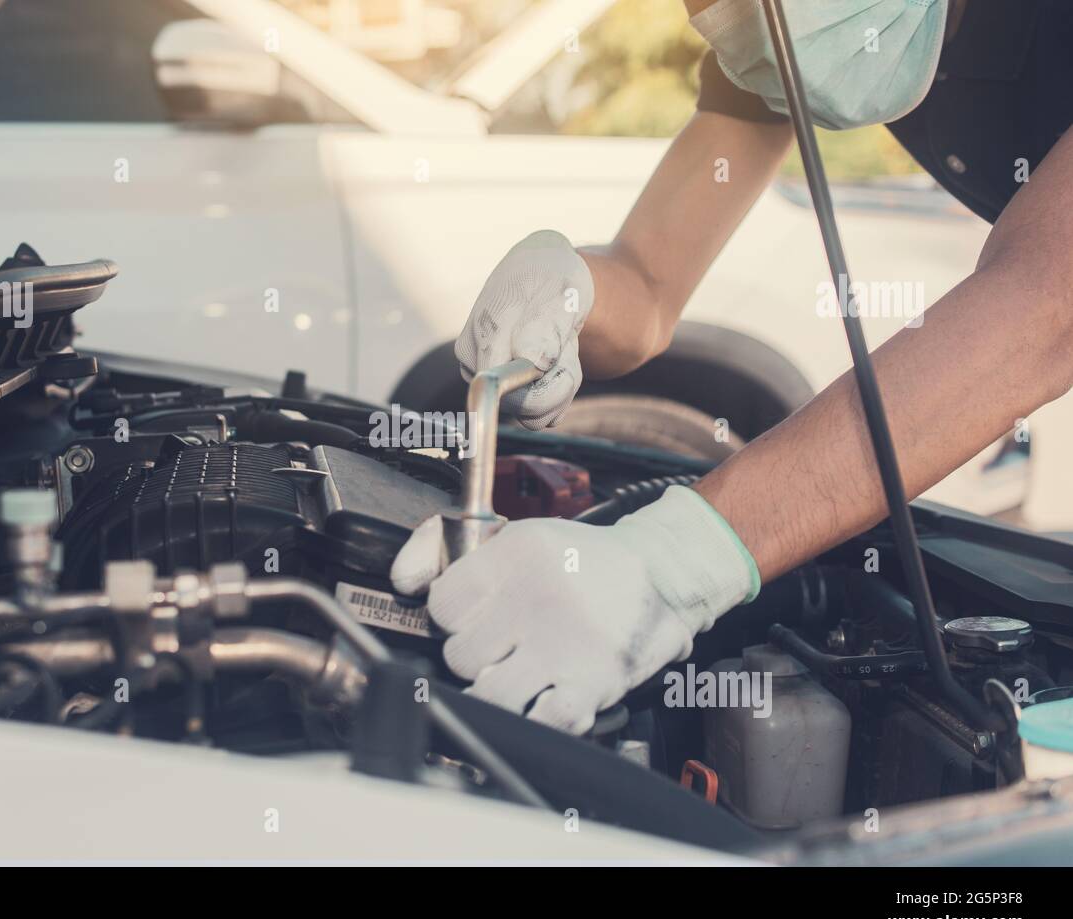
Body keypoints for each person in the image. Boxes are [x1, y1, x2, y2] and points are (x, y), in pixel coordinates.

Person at [389, 0, 1073, 735]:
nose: (712, 12)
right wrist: (572, 288)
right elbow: (650, 279)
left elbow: (1047, 302)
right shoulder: (800, 24)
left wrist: (672, 565)